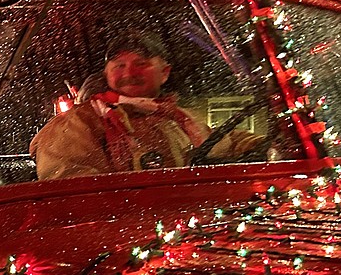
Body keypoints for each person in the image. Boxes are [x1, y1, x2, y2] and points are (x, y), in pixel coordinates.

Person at [30, 31, 263, 179]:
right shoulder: (77, 123)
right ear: (107, 74)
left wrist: (269, 147)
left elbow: (228, 142)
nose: (129, 73)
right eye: (119, 65)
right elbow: (70, 187)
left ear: (165, 73)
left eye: (141, 63)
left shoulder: (181, 118)